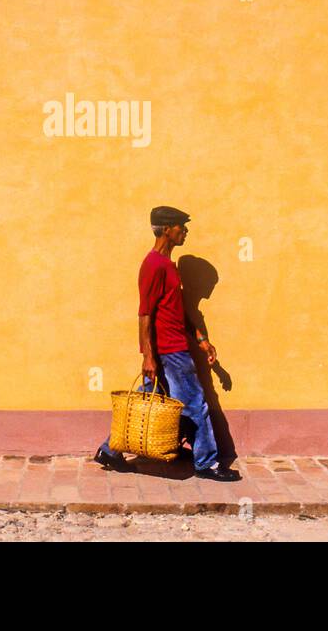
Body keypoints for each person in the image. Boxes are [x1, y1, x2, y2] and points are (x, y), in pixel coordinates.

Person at [94, 206, 241, 481]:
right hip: (170, 351)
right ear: (166, 229)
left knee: (147, 400)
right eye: (181, 227)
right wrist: (148, 356)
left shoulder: (168, 266)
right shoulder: (153, 265)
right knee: (196, 404)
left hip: (172, 348)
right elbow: (144, 313)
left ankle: (110, 451)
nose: (185, 231)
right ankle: (207, 463)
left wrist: (202, 340)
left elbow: (180, 309)